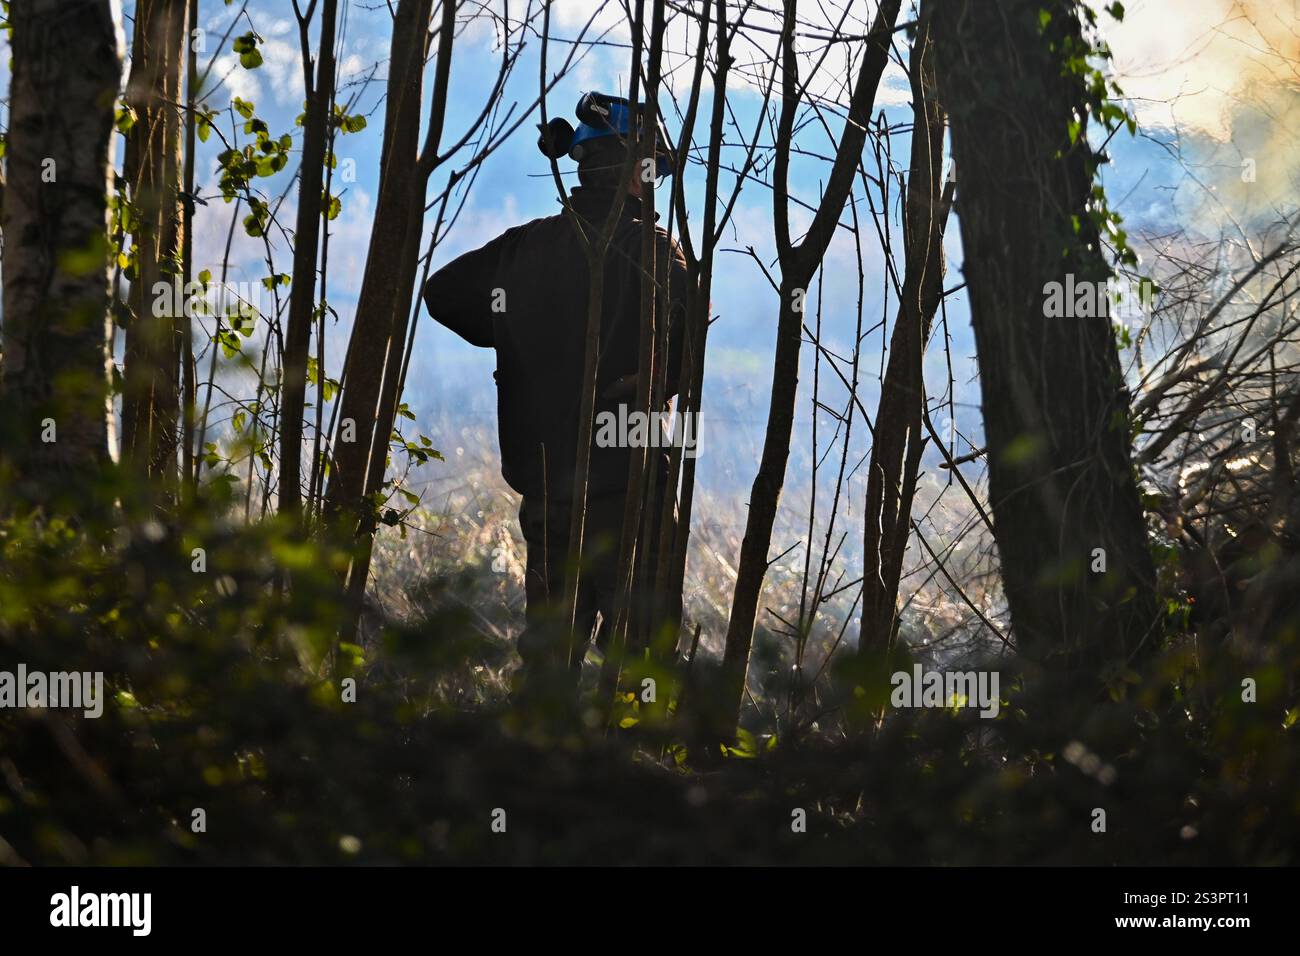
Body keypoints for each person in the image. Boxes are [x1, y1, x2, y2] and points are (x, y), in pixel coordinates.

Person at [421, 92, 690, 699]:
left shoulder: (524, 249)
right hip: (633, 485)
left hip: (550, 484)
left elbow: (442, 293)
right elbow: (685, 367)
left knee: (550, 652)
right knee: (639, 656)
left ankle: (537, 769)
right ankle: (631, 775)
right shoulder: (659, 255)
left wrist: (514, 335)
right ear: (632, 169)